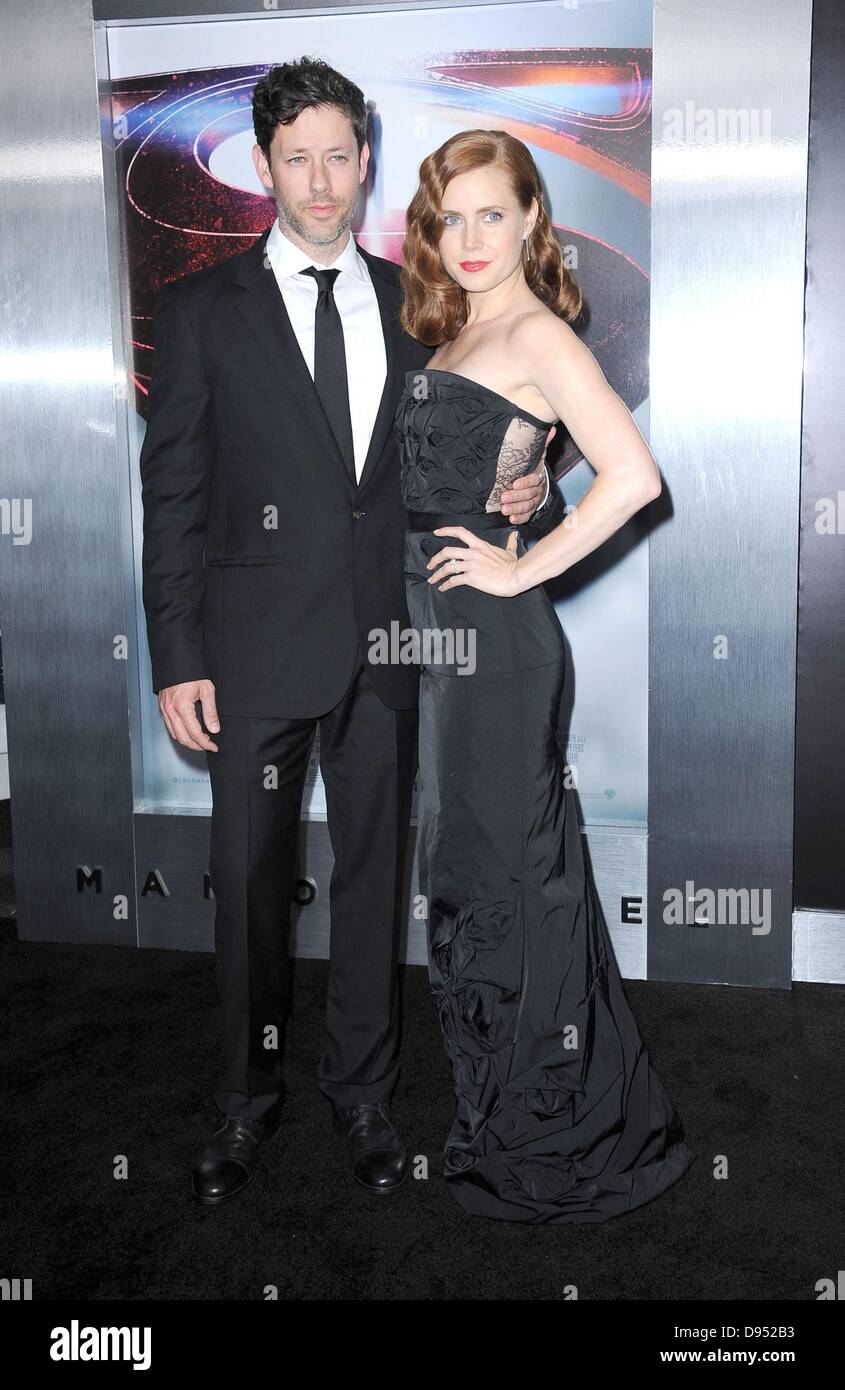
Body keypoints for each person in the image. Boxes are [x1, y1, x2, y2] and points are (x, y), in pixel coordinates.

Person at [139, 59, 564, 1206]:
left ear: (365, 160)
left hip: (392, 650)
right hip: (251, 655)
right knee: (248, 884)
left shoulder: (423, 308)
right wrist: (176, 655)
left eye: (339, 155)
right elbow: (172, 495)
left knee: (375, 888)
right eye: (295, 158)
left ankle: (364, 1098)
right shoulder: (197, 315)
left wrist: (533, 497)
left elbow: (496, 445)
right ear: (262, 167)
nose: (320, 181)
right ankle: (243, 1103)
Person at [394, 128, 696, 1222]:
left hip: (497, 656)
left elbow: (636, 474)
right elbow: (511, 468)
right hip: (441, 652)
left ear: (531, 218)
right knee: (480, 882)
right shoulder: (453, 328)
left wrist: (524, 572)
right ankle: (504, 1109)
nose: (468, 237)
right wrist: (529, 498)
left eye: (490, 213)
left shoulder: (531, 329)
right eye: (448, 216)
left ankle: (547, 1134)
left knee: (510, 886)